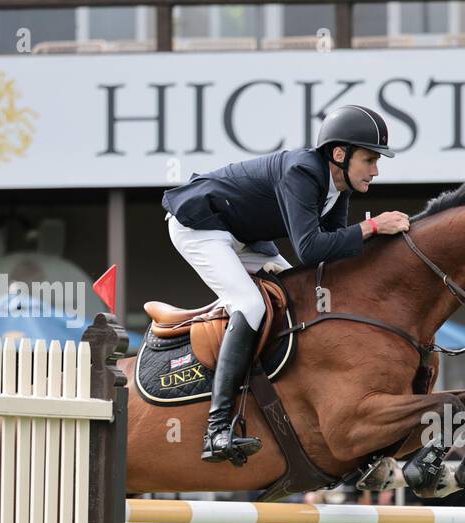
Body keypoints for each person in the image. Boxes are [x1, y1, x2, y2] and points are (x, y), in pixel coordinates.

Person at [161, 104, 412, 463]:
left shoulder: (339, 185)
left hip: (246, 236)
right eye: (370, 160)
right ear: (340, 154)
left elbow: (331, 255)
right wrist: (373, 227)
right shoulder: (302, 171)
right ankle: (216, 430)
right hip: (200, 225)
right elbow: (310, 249)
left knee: (298, 294)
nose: (376, 170)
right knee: (250, 305)